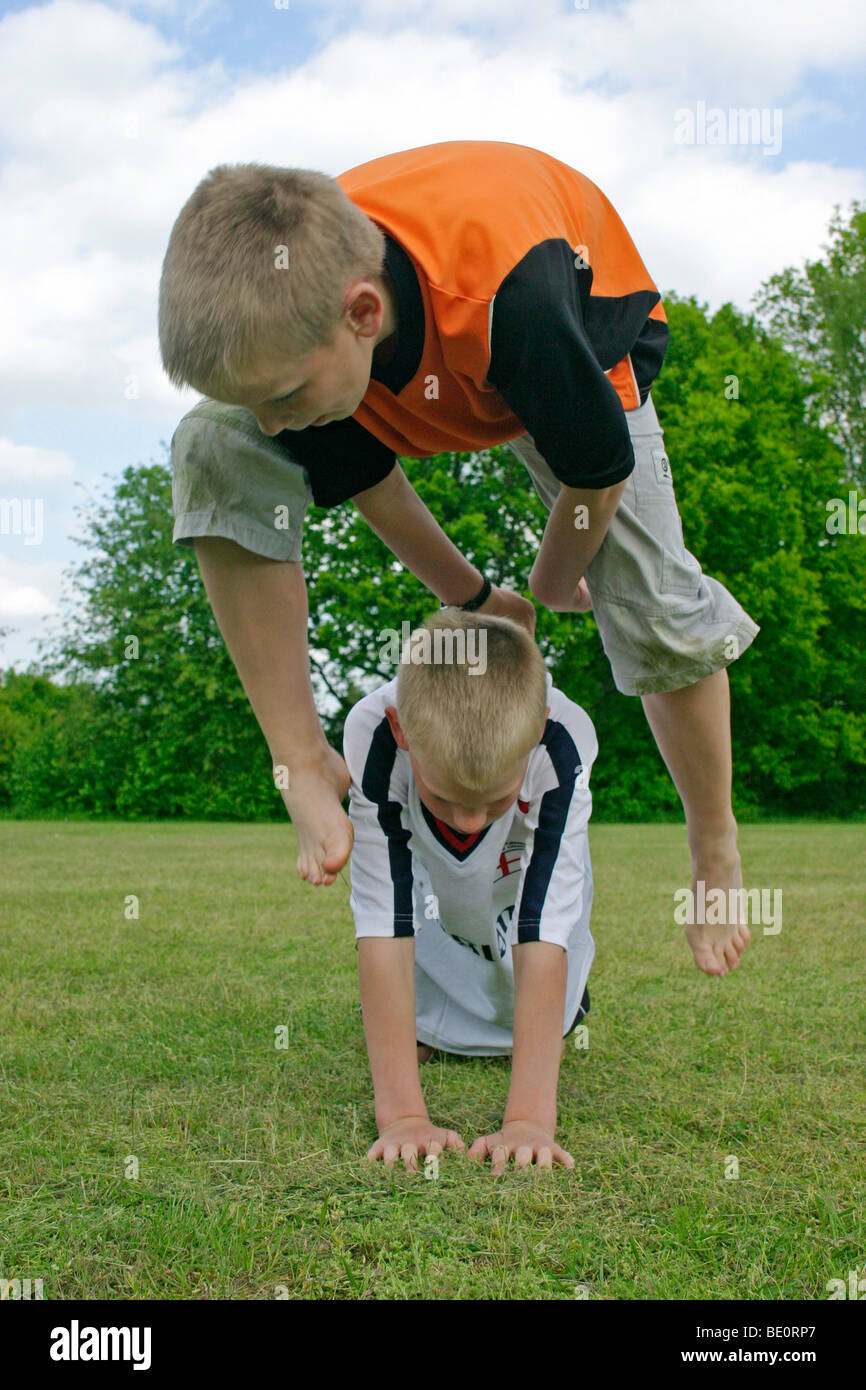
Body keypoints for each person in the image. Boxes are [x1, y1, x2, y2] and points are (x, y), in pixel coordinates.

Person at [159, 139, 758, 977]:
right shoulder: (303, 342)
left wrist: (549, 592)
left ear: (361, 312)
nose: (271, 424)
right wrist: (480, 600)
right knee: (211, 447)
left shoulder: (516, 303)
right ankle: (301, 758)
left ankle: (715, 846)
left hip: (579, 333)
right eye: (253, 399)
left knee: (653, 600)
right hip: (413, 369)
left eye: (283, 396)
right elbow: (374, 484)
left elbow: (596, 475)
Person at [344, 609, 595, 1173]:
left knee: (531, 996)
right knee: (417, 979)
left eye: (496, 800)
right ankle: (436, 1021)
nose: (471, 819)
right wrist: (403, 1118)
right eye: (445, 796)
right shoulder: (373, 733)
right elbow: (384, 915)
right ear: (404, 734)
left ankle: (555, 1013)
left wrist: (528, 1123)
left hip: (513, 897)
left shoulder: (562, 740)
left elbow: (544, 926)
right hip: (436, 897)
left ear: (533, 738)